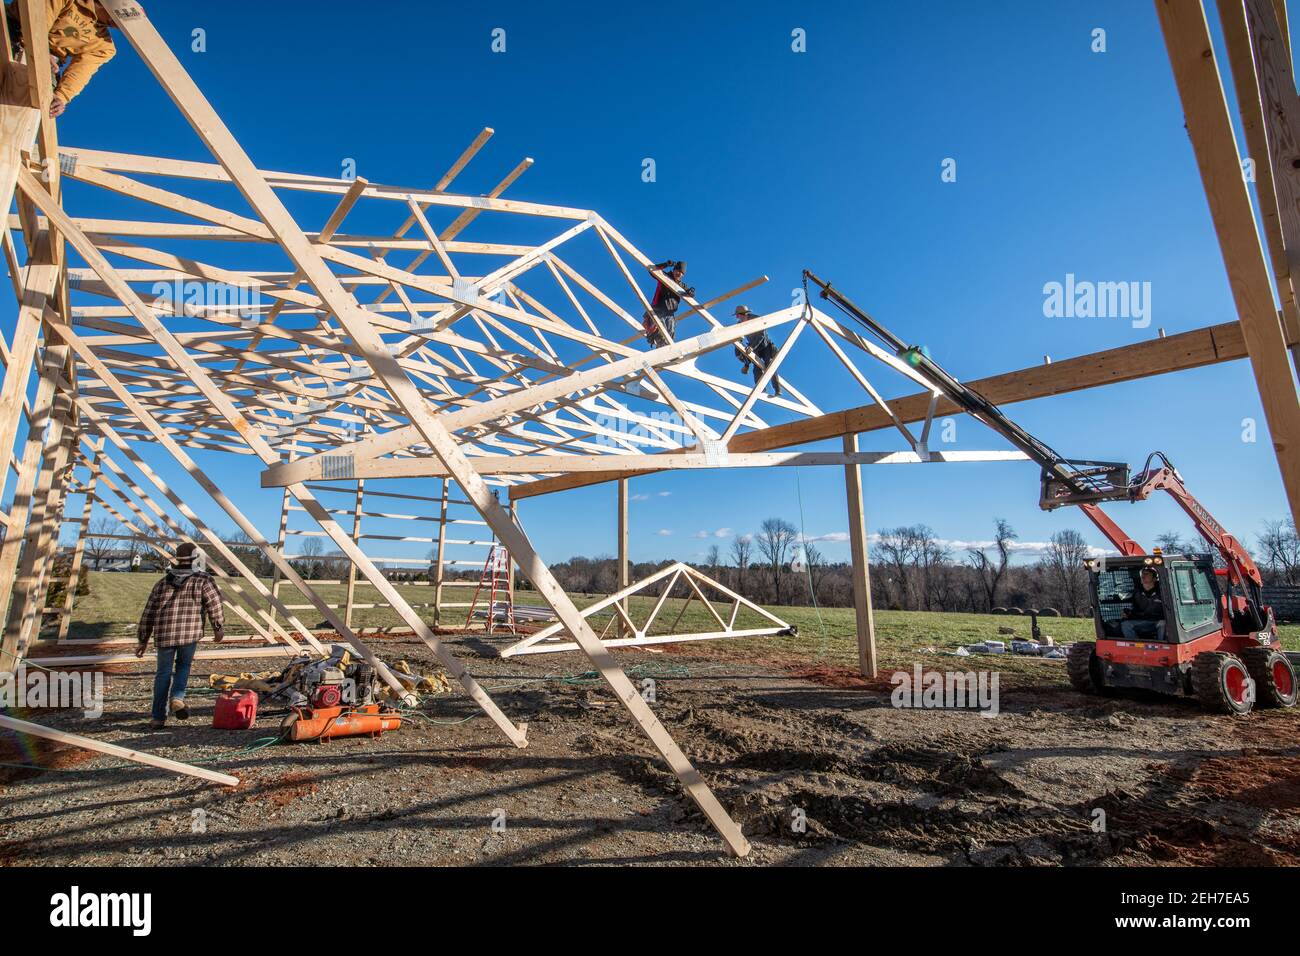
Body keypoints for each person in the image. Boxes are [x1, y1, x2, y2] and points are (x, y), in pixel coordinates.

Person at [134, 542, 224, 729]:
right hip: (189, 633)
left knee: (163, 673)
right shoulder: (202, 579)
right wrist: (218, 627)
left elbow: (149, 611)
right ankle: (177, 697)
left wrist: (143, 639)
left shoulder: (163, 582)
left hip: (164, 634)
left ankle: (158, 717)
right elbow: (213, 604)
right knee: (183, 666)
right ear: (195, 557)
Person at [5, 0, 117, 117]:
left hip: (48, 58)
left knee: (44, 100)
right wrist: (39, 49)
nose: (117, 25)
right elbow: (38, 15)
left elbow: (81, 71)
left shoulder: (103, 45)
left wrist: (61, 97)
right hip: (15, 26)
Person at [733, 305, 782, 397]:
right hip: (756, 348)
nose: (737, 318)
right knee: (757, 369)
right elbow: (737, 338)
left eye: (738, 315)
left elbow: (761, 335)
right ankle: (761, 389)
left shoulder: (756, 320)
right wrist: (740, 352)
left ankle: (777, 390)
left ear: (743, 314)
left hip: (765, 346)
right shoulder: (740, 325)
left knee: (769, 365)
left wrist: (752, 347)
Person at [643, 259, 694, 347]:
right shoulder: (664, 276)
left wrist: (691, 292)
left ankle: (667, 351)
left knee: (670, 334)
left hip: (670, 313)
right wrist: (666, 264)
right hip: (658, 310)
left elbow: (690, 294)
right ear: (674, 269)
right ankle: (661, 348)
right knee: (660, 332)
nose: (679, 274)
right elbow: (651, 271)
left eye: (682, 273)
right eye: (678, 271)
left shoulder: (681, 286)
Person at [1121, 567, 1165, 641]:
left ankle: (1161, 647)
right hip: (1142, 621)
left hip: (1157, 622)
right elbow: (1135, 610)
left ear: (1154, 579)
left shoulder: (1162, 593)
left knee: (1163, 623)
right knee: (1125, 624)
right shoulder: (1137, 593)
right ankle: (1137, 647)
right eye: (1142, 574)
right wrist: (1127, 612)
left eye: (1146, 574)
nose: (1143, 576)